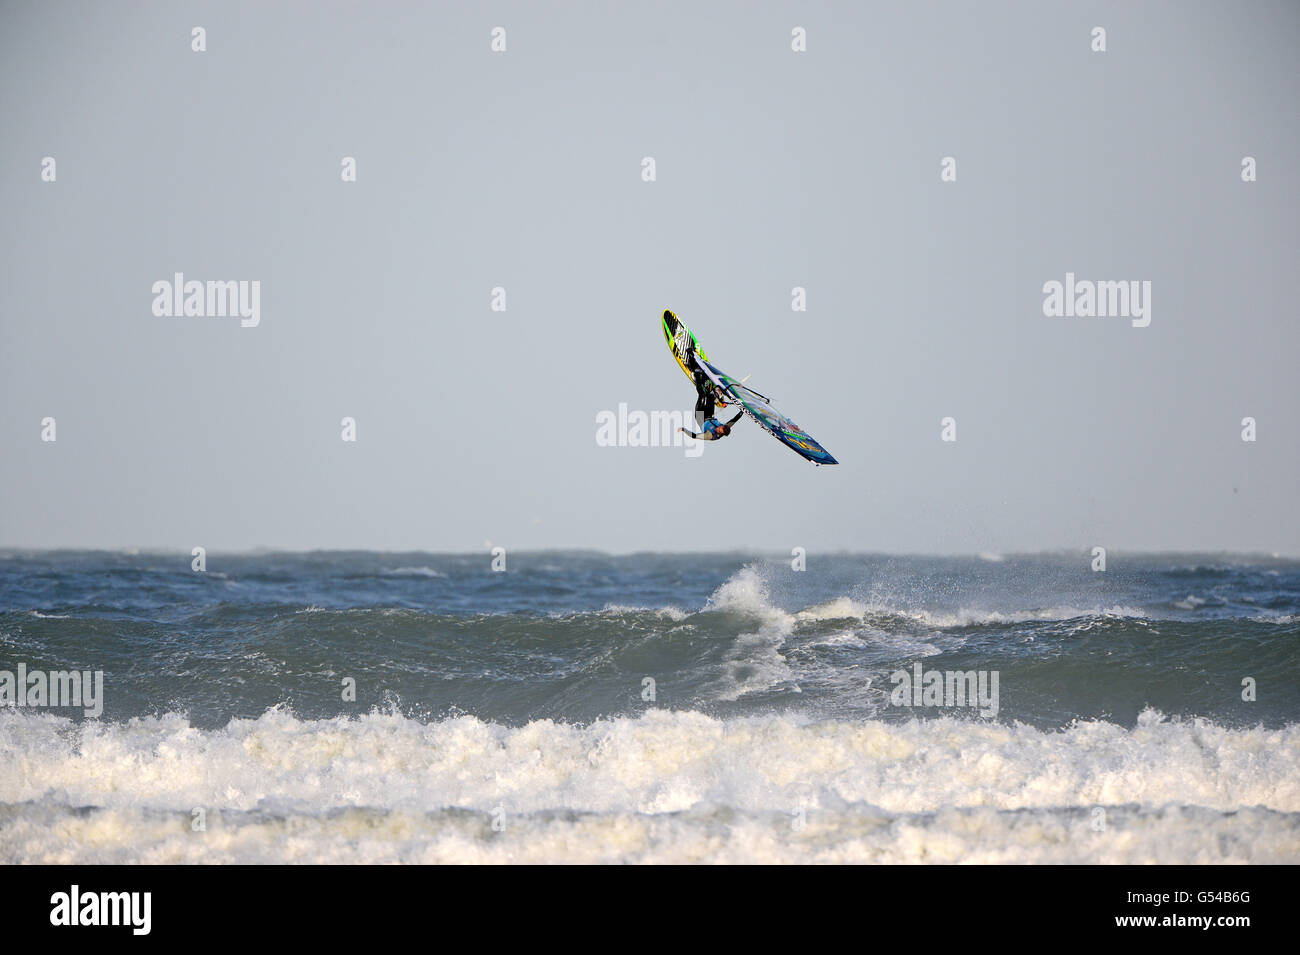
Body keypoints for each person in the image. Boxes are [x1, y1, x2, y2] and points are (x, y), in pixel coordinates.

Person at [679, 343, 743, 441]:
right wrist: (742, 409)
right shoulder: (726, 427)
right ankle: (703, 375)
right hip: (709, 414)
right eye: (720, 427)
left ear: (721, 433)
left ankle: (692, 363)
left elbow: (694, 436)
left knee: (703, 394)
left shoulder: (710, 436)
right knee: (710, 394)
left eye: (719, 429)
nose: (718, 428)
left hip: (700, 416)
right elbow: (734, 420)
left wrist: (684, 430)